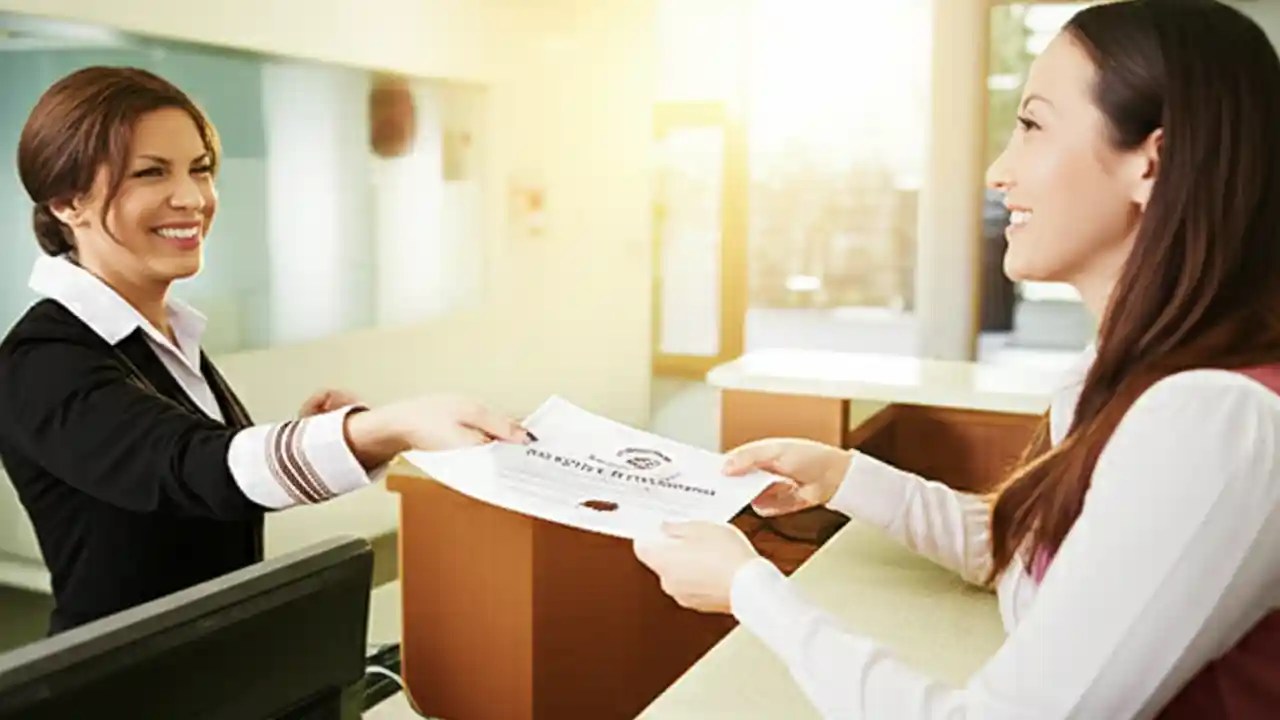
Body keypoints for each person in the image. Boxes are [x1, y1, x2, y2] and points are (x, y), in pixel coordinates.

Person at [635, 1, 1280, 717]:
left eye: (1032, 125)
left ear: (1151, 164)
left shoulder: (1213, 421)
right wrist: (844, 476)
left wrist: (751, 592)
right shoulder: (1127, 368)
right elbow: (1033, 556)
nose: (999, 171)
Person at [0, 66, 533, 634]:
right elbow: (196, 467)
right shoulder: (43, 361)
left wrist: (341, 436)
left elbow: (208, 471)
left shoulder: (159, 335)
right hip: (123, 682)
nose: (193, 198)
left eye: (200, 170)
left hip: (212, 659)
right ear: (66, 203)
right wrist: (384, 427)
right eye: (152, 173)